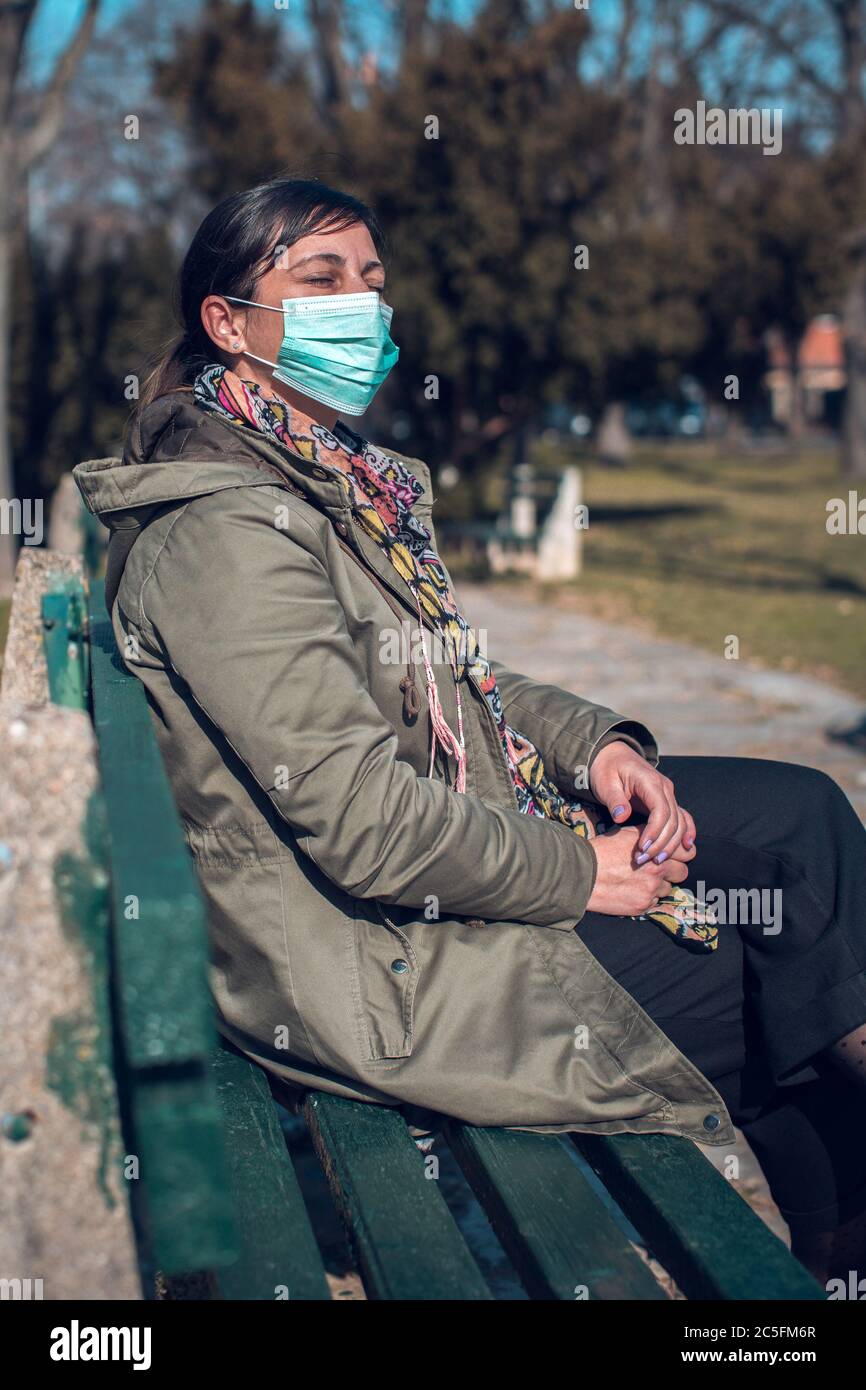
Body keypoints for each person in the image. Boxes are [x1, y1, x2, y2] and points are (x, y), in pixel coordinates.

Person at [75, 178, 866, 1287]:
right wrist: (573, 868)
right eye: (321, 279)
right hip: (372, 969)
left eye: (370, 280)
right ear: (227, 323)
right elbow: (363, 826)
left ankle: (832, 1260)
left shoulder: (320, 484)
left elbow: (451, 680)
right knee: (788, 953)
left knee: (799, 817)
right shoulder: (229, 533)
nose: (364, 305)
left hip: (410, 901)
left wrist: (598, 746)